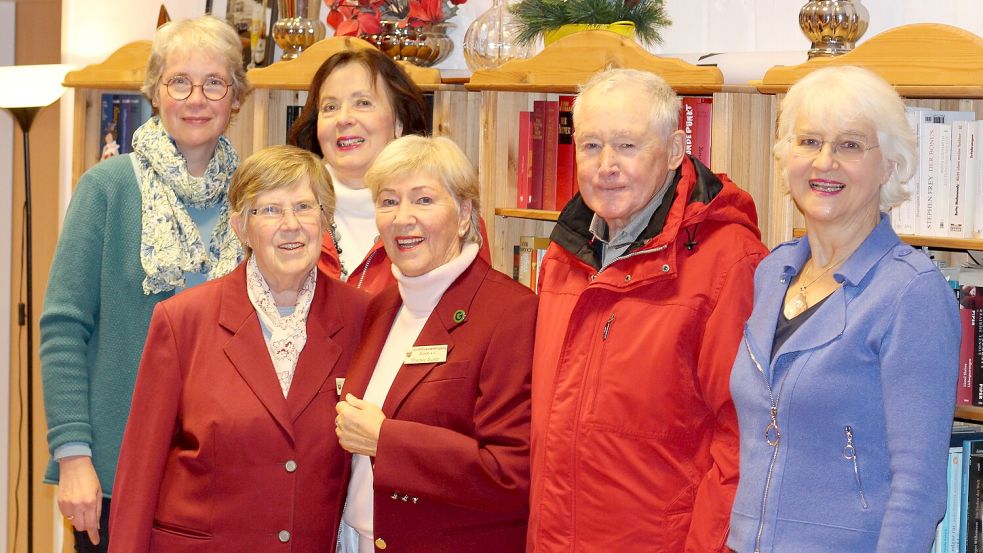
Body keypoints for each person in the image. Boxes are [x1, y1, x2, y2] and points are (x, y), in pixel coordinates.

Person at [526, 68, 769, 552]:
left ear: (676, 150)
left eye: (627, 146)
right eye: (591, 146)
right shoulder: (564, 254)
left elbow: (745, 438)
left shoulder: (727, 261)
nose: (605, 165)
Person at [728, 65, 960, 553]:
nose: (824, 162)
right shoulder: (772, 274)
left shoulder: (911, 292)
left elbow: (917, 489)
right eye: (809, 142)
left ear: (890, 166)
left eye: (850, 145)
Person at [40, 15, 250, 551]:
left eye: (214, 83)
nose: (196, 98)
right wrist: (74, 457)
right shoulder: (107, 188)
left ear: (235, 98)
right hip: (116, 472)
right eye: (179, 81)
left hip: (219, 475)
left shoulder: (254, 196)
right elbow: (64, 329)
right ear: (156, 93)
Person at [108, 145, 369, 551]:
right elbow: (140, 471)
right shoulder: (183, 320)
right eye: (268, 210)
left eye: (304, 206)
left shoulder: (362, 317)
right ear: (241, 228)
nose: (290, 225)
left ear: (325, 220)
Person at [334, 135, 534, 552]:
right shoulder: (383, 307)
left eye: (423, 200)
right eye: (388, 202)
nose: (402, 218)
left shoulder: (511, 313)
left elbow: (513, 472)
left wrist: (387, 441)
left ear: (464, 215)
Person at [289, 48, 489, 292]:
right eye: (330, 107)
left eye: (362, 103)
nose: (343, 119)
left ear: (399, 123)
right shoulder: (284, 214)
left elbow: (473, 314)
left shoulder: (449, 215)